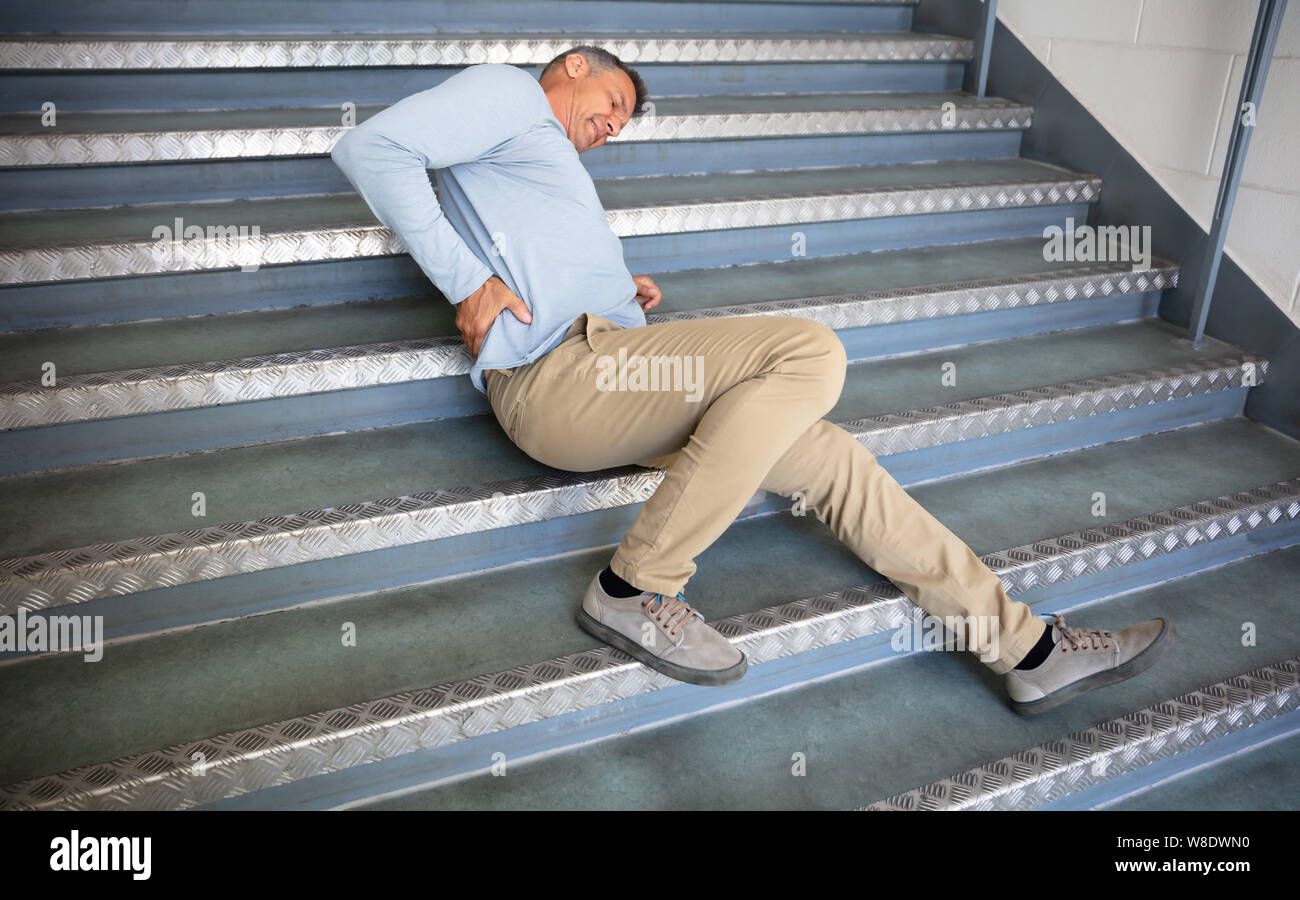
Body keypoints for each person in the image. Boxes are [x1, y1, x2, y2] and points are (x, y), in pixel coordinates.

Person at [330, 46, 1173, 714]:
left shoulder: (540, 160)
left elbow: (532, 253)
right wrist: (464, 282)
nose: (615, 124)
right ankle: (636, 585)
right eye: (614, 103)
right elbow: (372, 146)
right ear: (574, 66)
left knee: (835, 461)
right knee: (811, 351)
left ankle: (1026, 651)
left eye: (624, 123)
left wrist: (620, 296)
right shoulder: (512, 94)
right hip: (559, 378)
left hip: (611, 366)